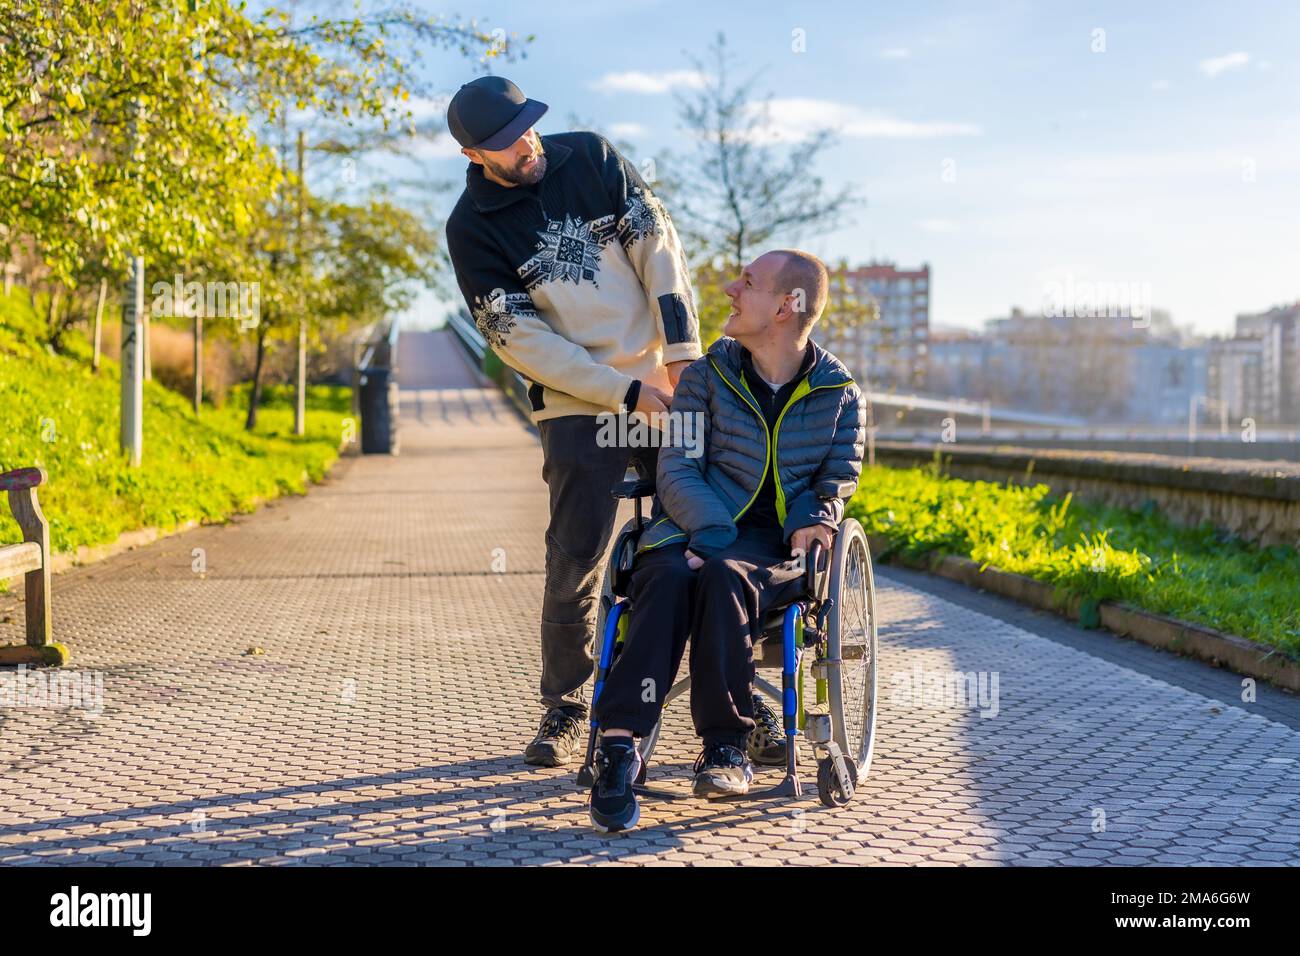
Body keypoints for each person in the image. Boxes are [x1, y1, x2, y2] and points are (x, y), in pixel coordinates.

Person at [443, 75, 703, 766]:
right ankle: (565, 702)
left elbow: (662, 254)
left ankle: (733, 703)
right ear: (474, 155)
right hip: (578, 401)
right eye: (502, 144)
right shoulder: (471, 229)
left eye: (526, 128)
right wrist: (621, 393)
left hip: (664, 379)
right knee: (576, 553)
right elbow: (517, 340)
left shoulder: (591, 156)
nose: (524, 146)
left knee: (716, 532)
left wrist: (679, 358)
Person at [587, 249, 867, 833]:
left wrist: (817, 514)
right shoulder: (707, 377)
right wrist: (710, 531)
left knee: (723, 575)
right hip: (689, 525)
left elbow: (838, 474)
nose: (730, 290)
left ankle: (725, 747)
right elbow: (678, 465)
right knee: (662, 576)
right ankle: (619, 744)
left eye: (747, 283)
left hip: (772, 546)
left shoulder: (840, 393)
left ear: (787, 306)